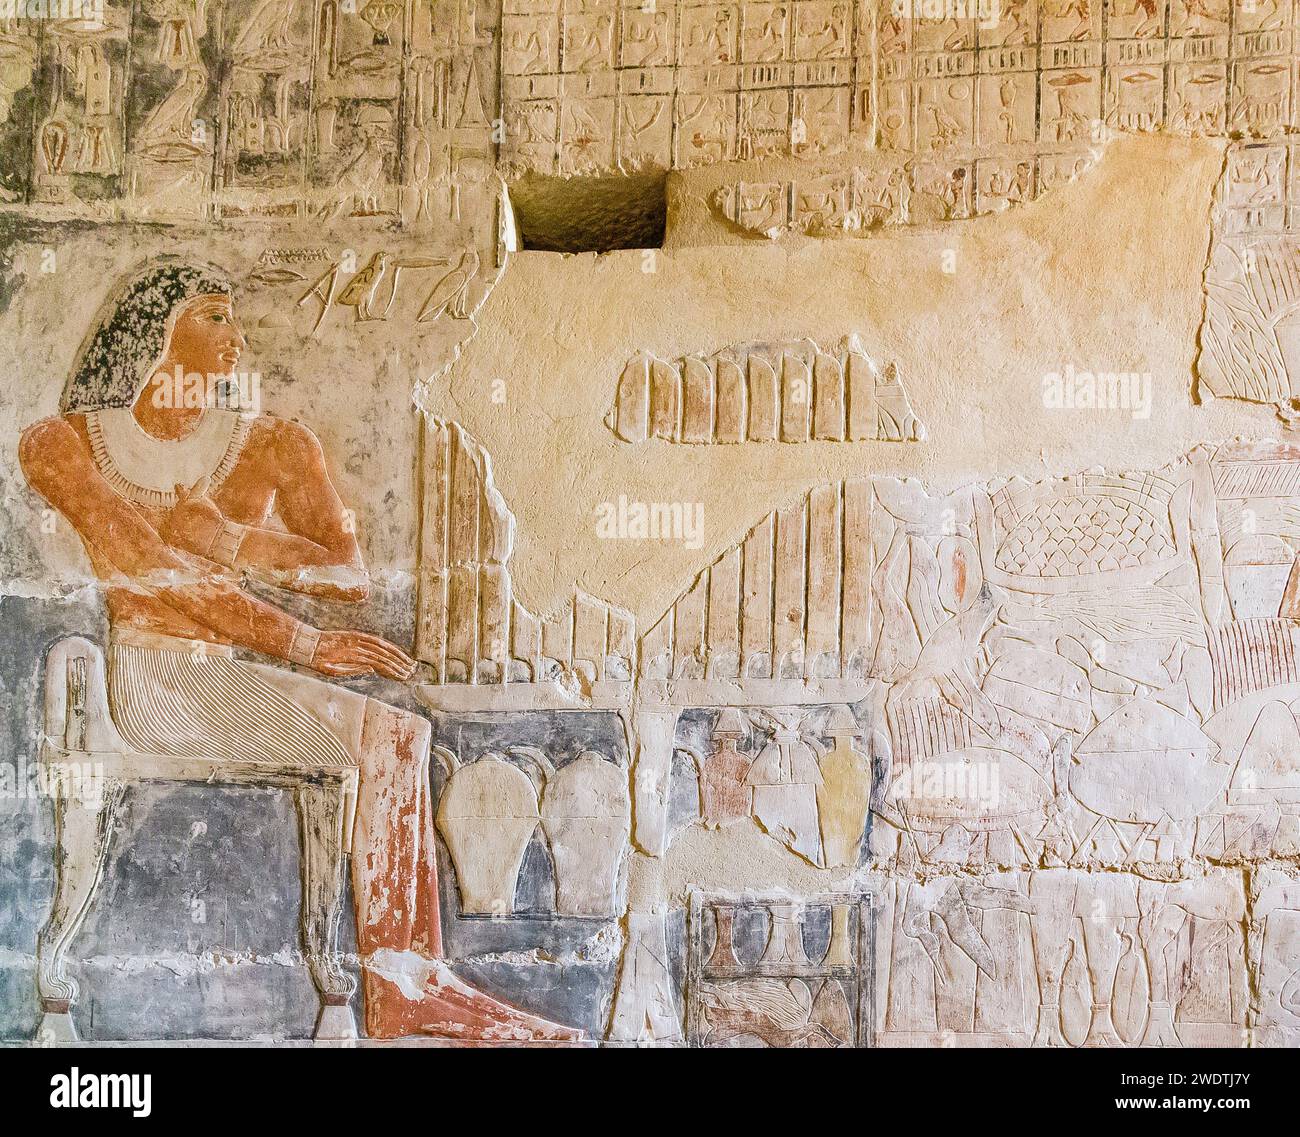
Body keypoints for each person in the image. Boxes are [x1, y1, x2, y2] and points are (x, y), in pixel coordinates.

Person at [19, 257, 580, 1043]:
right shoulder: (66, 441)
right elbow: (153, 566)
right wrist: (304, 643)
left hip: (232, 678)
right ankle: (400, 988)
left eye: (234, 317)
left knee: (404, 735)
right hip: (156, 682)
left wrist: (233, 538)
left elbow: (348, 574)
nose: (235, 336)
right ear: (154, 327)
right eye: (213, 315)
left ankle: (413, 981)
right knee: (385, 740)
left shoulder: (272, 444)